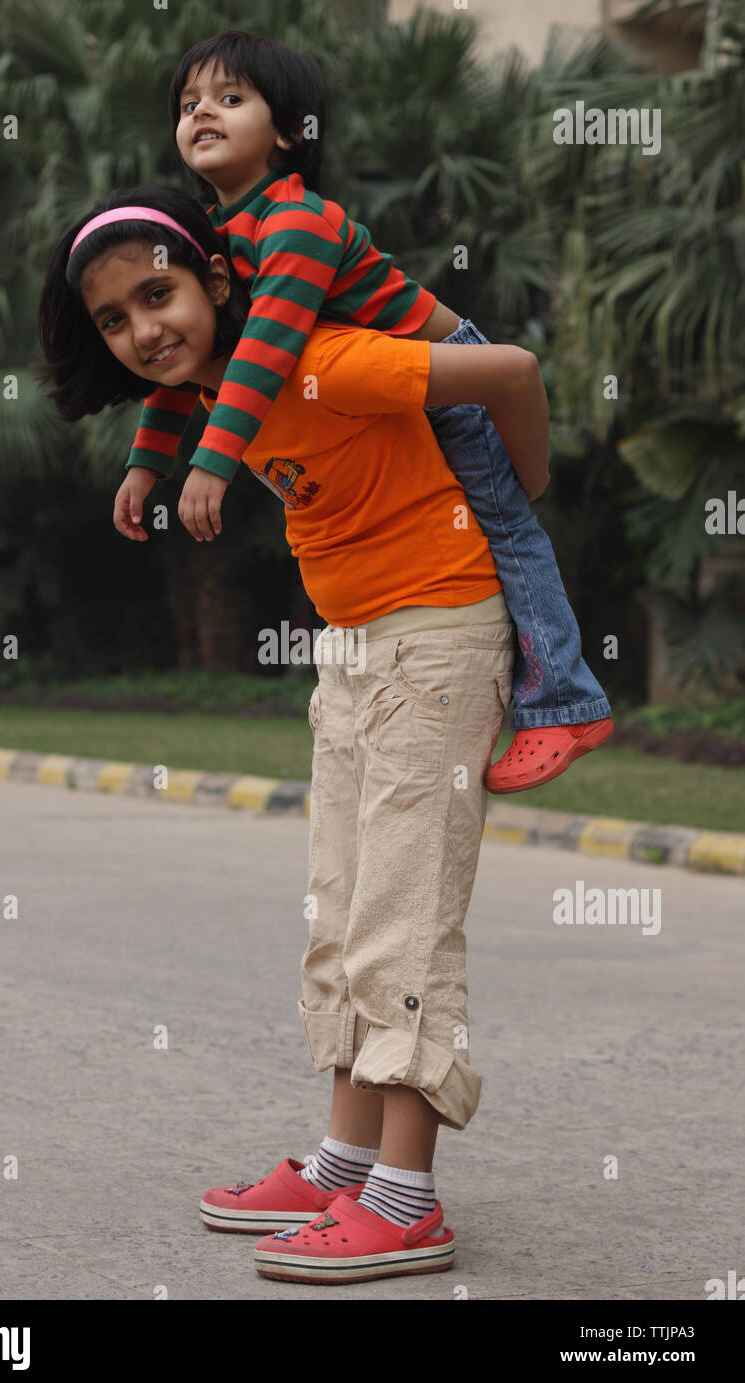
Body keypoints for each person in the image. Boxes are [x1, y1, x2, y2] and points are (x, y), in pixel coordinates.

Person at [37, 185, 548, 1284]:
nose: (142, 332)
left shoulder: (327, 359)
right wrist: (149, 463)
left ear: (219, 280)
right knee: (343, 906)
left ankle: (406, 1199)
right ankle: (340, 1163)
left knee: (402, 918)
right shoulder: (227, 387)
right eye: (115, 321)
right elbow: (182, 410)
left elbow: (508, 369)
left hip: (442, 635)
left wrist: (520, 492)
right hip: (355, 647)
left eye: (158, 294)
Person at [118, 29, 614, 792]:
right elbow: (185, 359)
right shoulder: (213, 237)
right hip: (386, 394)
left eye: (229, 98)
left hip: (449, 381)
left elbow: (267, 351)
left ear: (285, 131)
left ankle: (566, 704)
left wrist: (210, 463)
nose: (201, 113)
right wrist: (148, 460)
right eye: (188, 104)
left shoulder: (297, 222)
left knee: (508, 528)